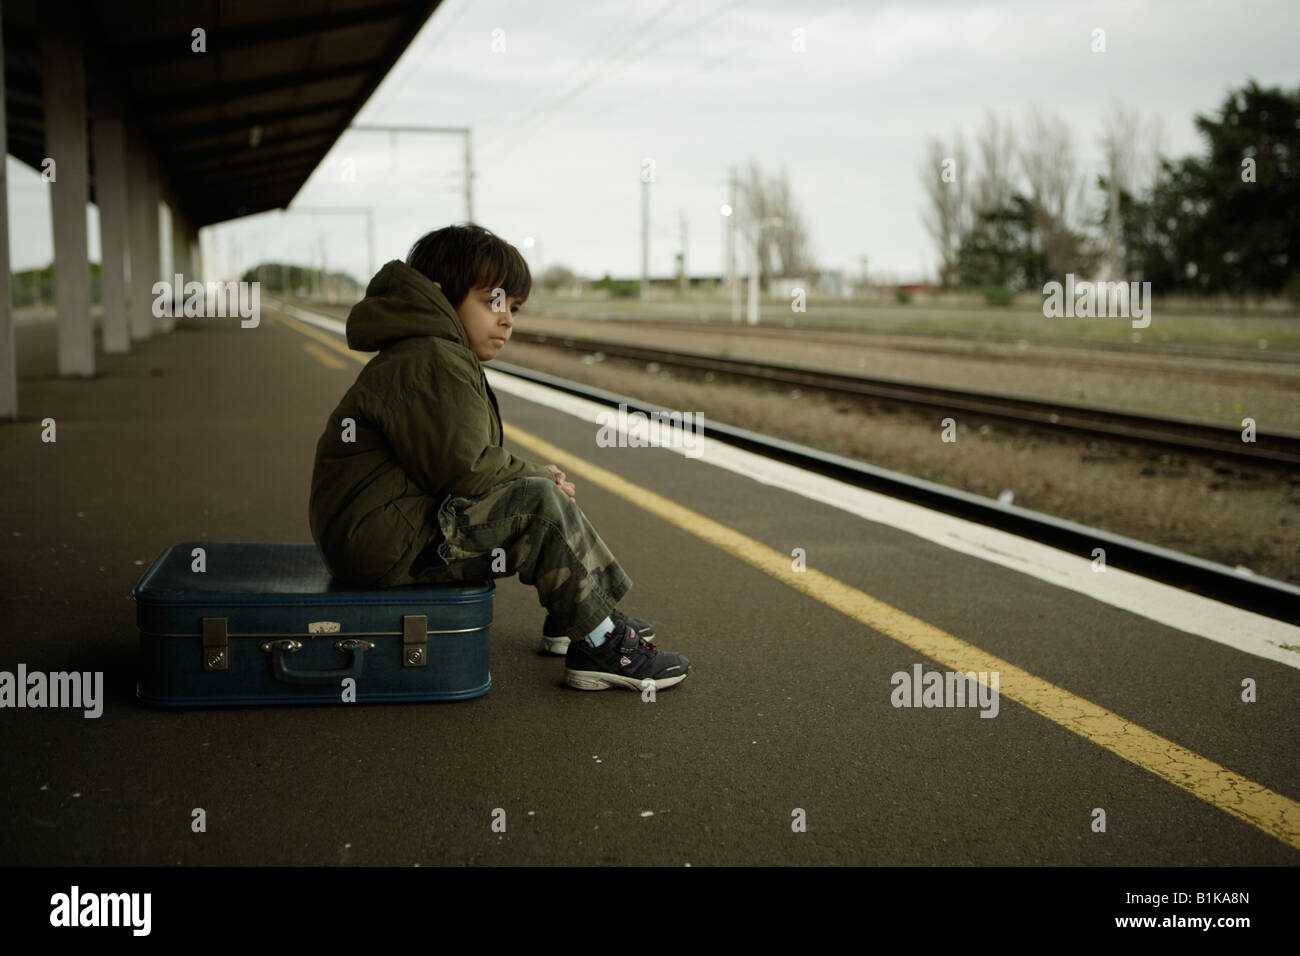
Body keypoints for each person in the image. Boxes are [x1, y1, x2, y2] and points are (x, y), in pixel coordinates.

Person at [308, 223, 690, 691]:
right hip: (382, 545)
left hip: (383, 531)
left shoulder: (429, 352)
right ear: (439, 293)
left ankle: (581, 617)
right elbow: (465, 470)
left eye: (513, 307)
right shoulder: (430, 359)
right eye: (493, 301)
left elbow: (459, 461)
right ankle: (602, 645)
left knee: (538, 492)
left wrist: (535, 477)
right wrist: (539, 477)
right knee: (539, 504)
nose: (507, 317)